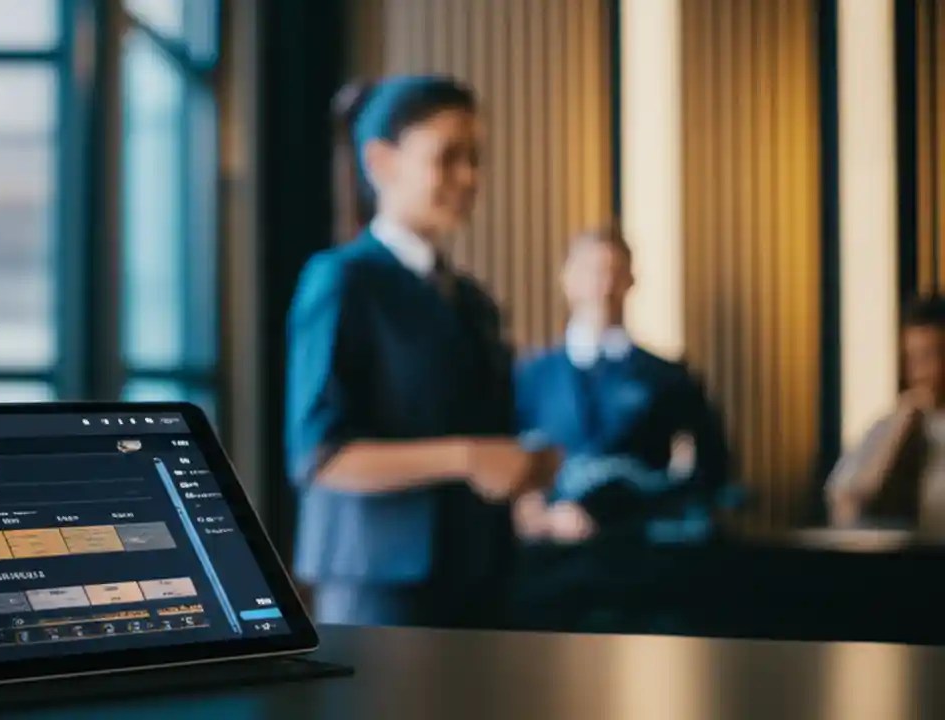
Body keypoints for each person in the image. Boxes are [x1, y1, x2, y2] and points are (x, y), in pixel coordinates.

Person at [284, 75, 560, 628]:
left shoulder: (473, 303)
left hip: (484, 576)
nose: (469, 177)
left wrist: (526, 467)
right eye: (449, 157)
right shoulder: (342, 281)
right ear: (382, 161)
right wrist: (468, 457)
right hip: (382, 586)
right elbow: (320, 455)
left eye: (475, 158)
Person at [512, 227, 732, 543]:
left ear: (631, 281)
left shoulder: (668, 377)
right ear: (568, 280)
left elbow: (712, 470)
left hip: (639, 551)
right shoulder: (531, 376)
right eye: (592, 272)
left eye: (614, 272)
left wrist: (645, 510)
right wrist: (536, 513)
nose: (604, 286)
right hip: (549, 554)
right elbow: (507, 459)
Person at [826, 295, 945, 535]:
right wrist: (899, 433)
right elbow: (845, 506)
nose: (920, 372)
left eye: (930, 356)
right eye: (912, 358)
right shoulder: (891, 423)